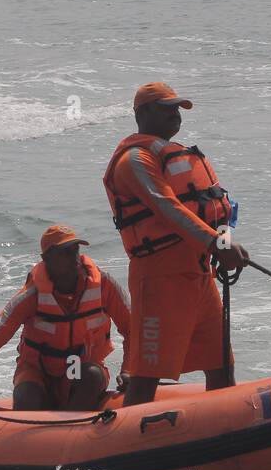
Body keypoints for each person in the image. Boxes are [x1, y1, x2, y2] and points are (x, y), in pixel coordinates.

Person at [102, 82, 250, 406]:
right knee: (147, 376)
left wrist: (224, 240)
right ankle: (130, 434)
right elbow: (167, 207)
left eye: (177, 109)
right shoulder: (134, 161)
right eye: (166, 108)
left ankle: (222, 430)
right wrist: (216, 244)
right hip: (159, 281)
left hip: (200, 277)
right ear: (142, 113)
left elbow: (219, 209)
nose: (175, 115)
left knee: (222, 366)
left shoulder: (183, 157)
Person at [0, 226, 132, 410]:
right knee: (27, 396)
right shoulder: (31, 296)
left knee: (91, 376)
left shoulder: (103, 286)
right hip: (38, 371)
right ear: (47, 259)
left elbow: (132, 329)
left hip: (77, 369)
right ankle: (40, 425)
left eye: (75, 249)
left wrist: (129, 371)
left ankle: (72, 426)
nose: (73, 256)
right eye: (64, 252)